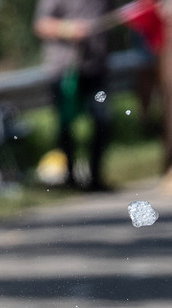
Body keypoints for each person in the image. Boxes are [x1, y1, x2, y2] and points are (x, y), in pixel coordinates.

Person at [33, 0, 113, 191]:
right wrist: (68, 29)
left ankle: (95, 178)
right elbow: (41, 24)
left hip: (95, 69)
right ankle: (70, 178)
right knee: (66, 124)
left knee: (102, 120)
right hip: (65, 71)